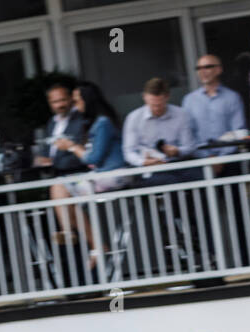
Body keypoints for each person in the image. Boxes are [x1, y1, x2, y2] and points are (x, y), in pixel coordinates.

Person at [50, 82, 123, 268]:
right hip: (102, 175)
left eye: (76, 100)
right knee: (65, 192)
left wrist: (72, 147)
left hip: (112, 176)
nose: (75, 104)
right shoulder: (98, 122)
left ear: (86, 100)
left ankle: (84, 240)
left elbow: (95, 157)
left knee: (62, 188)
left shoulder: (102, 122)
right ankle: (90, 243)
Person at [122, 77, 197, 182]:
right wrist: (143, 162)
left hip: (177, 164)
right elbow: (129, 151)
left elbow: (190, 146)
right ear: (144, 97)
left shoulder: (181, 114)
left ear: (167, 97)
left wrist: (177, 151)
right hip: (148, 168)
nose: (156, 109)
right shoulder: (134, 118)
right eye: (152, 105)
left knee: (198, 175)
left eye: (160, 105)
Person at [184, 54, 246, 160]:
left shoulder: (232, 97)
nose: (202, 71)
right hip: (200, 160)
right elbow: (188, 134)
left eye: (207, 67)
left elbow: (238, 130)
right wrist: (207, 157)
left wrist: (221, 158)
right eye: (198, 68)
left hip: (230, 160)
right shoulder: (189, 100)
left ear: (218, 70)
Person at [35, 81, 88, 173]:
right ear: (49, 103)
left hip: (75, 172)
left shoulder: (81, 120)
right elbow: (47, 147)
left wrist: (53, 162)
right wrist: (42, 159)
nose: (60, 105)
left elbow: (83, 152)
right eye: (55, 102)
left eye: (63, 100)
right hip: (53, 172)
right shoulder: (52, 122)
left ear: (71, 98)